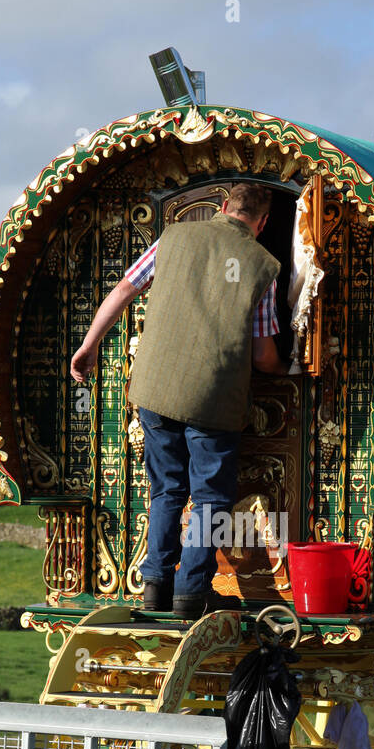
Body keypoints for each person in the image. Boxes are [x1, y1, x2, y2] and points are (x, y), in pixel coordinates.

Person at [70, 182, 287, 617]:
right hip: (212, 397)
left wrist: (89, 345)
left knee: (166, 488)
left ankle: (155, 586)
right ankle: (191, 593)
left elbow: (123, 291)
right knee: (210, 498)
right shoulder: (264, 265)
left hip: (154, 389)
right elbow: (264, 357)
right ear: (262, 223)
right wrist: (289, 367)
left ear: (224, 207)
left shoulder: (174, 237)